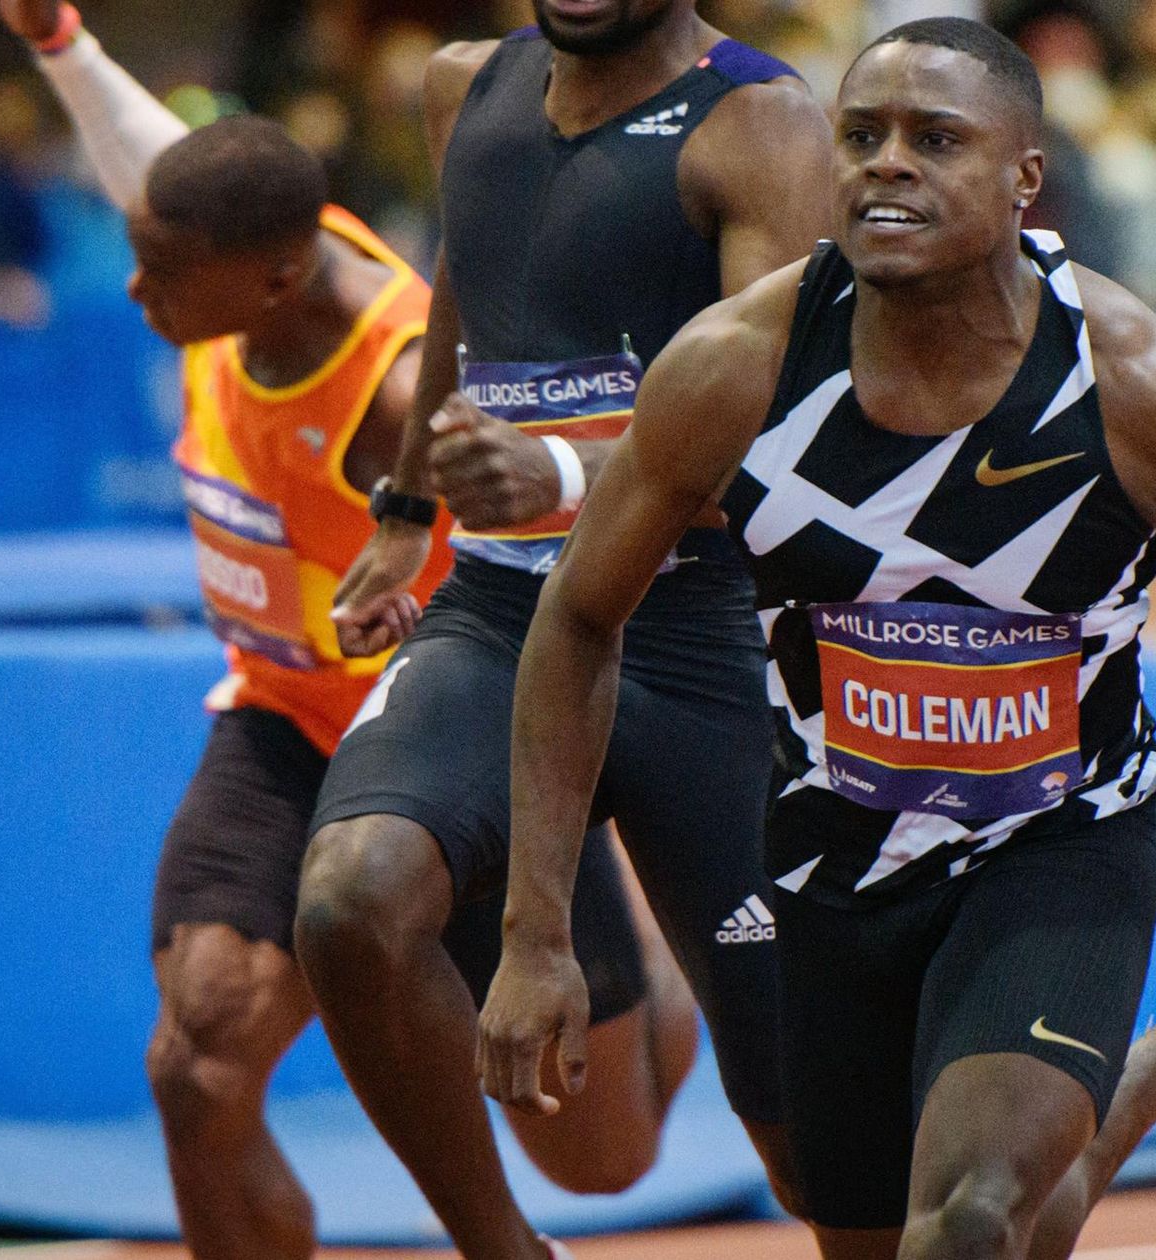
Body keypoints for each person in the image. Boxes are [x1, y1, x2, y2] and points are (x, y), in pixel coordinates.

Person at [482, 18, 1156, 1259]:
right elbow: (578, 617)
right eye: (859, 137)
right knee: (911, 1234)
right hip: (832, 854)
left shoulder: (1145, 388)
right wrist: (535, 930)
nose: (886, 164)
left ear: (1026, 178)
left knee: (968, 1224)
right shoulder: (734, 372)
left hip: (1057, 845)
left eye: (935, 138)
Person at [0, 5, 692, 1256]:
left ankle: (662, 968)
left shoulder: (398, 390)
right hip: (279, 720)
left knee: (603, 1158)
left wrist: (413, 612)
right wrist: (60, 43)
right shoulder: (237, 260)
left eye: (159, 273)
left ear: (271, 277)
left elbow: (537, 572)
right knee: (196, 1056)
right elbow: (155, 169)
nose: (136, 291)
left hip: (446, 751)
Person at [288, 0, 834, 1253]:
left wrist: (565, 471)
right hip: (500, 611)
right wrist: (407, 502)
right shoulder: (461, 88)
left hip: (704, 635)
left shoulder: (760, 126)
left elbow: (781, 438)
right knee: (350, 903)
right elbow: (461, 293)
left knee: (820, 1159)